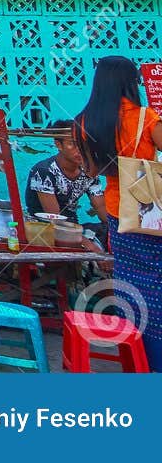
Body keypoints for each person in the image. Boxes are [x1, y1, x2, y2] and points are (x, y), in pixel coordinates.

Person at [73, 56, 162, 371]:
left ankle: (134, 353)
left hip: (117, 211)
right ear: (129, 81)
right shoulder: (145, 118)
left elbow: (92, 169)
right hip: (151, 209)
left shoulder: (84, 123)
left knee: (130, 279)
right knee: (158, 281)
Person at [26, 119, 108, 223]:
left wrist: (117, 232)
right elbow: (54, 218)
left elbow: (101, 207)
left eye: (83, 144)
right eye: (72, 144)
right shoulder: (43, 172)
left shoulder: (88, 171)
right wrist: (82, 239)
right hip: (44, 228)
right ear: (58, 145)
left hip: (72, 226)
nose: (80, 149)